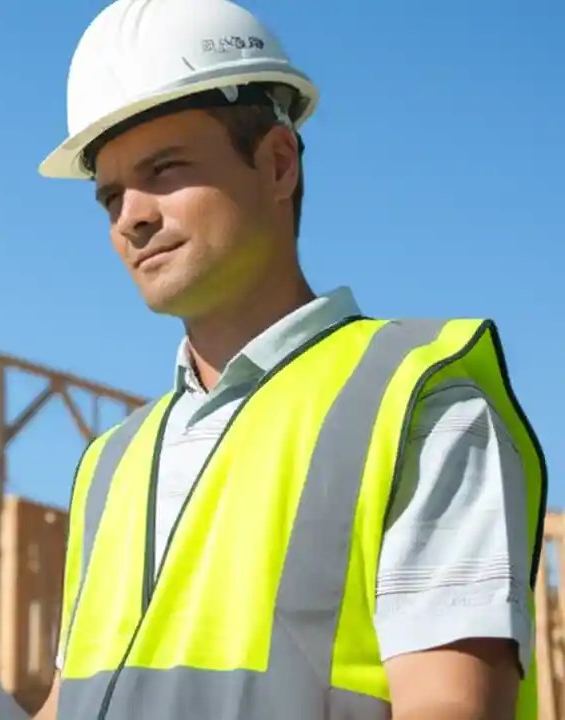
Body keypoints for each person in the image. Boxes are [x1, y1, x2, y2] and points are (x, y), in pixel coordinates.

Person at [31, 1, 548, 718]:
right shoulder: (109, 467)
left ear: (277, 164)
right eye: (111, 195)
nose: (132, 216)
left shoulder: (417, 406)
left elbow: (449, 705)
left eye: (165, 169)